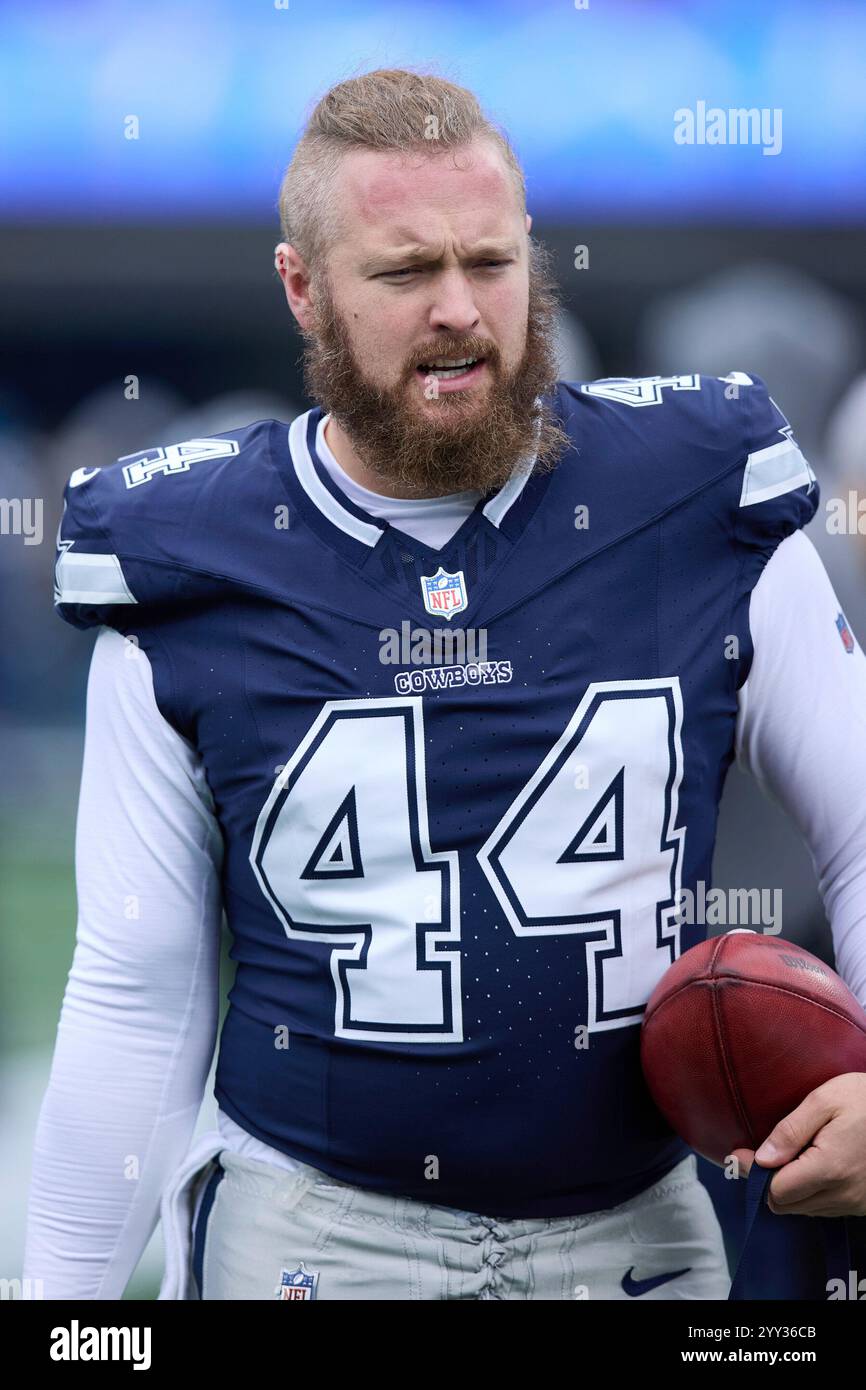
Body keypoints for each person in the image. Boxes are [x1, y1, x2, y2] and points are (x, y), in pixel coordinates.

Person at [24, 68, 866, 1301]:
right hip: (311, 1229)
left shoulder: (700, 493)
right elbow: (137, 991)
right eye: (404, 271)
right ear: (302, 288)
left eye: (490, 260)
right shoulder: (188, 555)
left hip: (630, 1231)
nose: (460, 310)